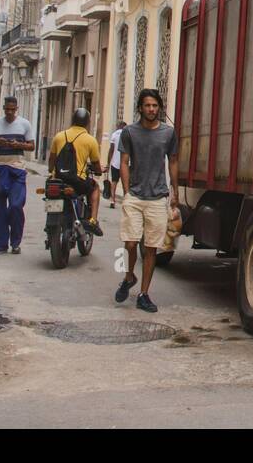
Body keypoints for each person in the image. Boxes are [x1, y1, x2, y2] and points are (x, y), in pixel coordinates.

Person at [116, 90, 178, 313]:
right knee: (130, 243)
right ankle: (128, 276)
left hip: (158, 197)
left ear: (159, 107)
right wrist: (126, 191)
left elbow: (172, 161)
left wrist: (175, 191)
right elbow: (124, 161)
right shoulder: (129, 132)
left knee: (151, 248)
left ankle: (143, 293)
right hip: (134, 195)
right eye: (147, 105)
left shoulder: (168, 133)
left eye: (155, 105)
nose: (151, 109)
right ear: (140, 108)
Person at [0, 96, 35, 256]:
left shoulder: (24, 124)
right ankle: (0, 244)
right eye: (7, 109)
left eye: (12, 110)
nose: (9, 112)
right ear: (3, 108)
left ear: (16, 109)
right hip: (0, 168)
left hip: (17, 169)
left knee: (15, 206)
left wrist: (18, 145)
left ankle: (15, 242)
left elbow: (32, 146)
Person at [48, 108, 104, 236]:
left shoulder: (59, 136)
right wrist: (99, 171)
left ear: (72, 120)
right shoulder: (90, 140)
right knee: (95, 187)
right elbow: (95, 164)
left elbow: (52, 159)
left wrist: (51, 170)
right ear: (87, 123)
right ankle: (93, 220)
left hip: (58, 180)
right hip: (77, 181)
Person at [105, 120, 126, 209]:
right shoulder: (127, 134)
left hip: (115, 162)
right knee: (125, 182)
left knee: (114, 182)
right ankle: (126, 201)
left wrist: (108, 162)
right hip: (125, 163)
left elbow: (111, 149)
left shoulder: (114, 135)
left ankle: (113, 200)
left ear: (118, 126)